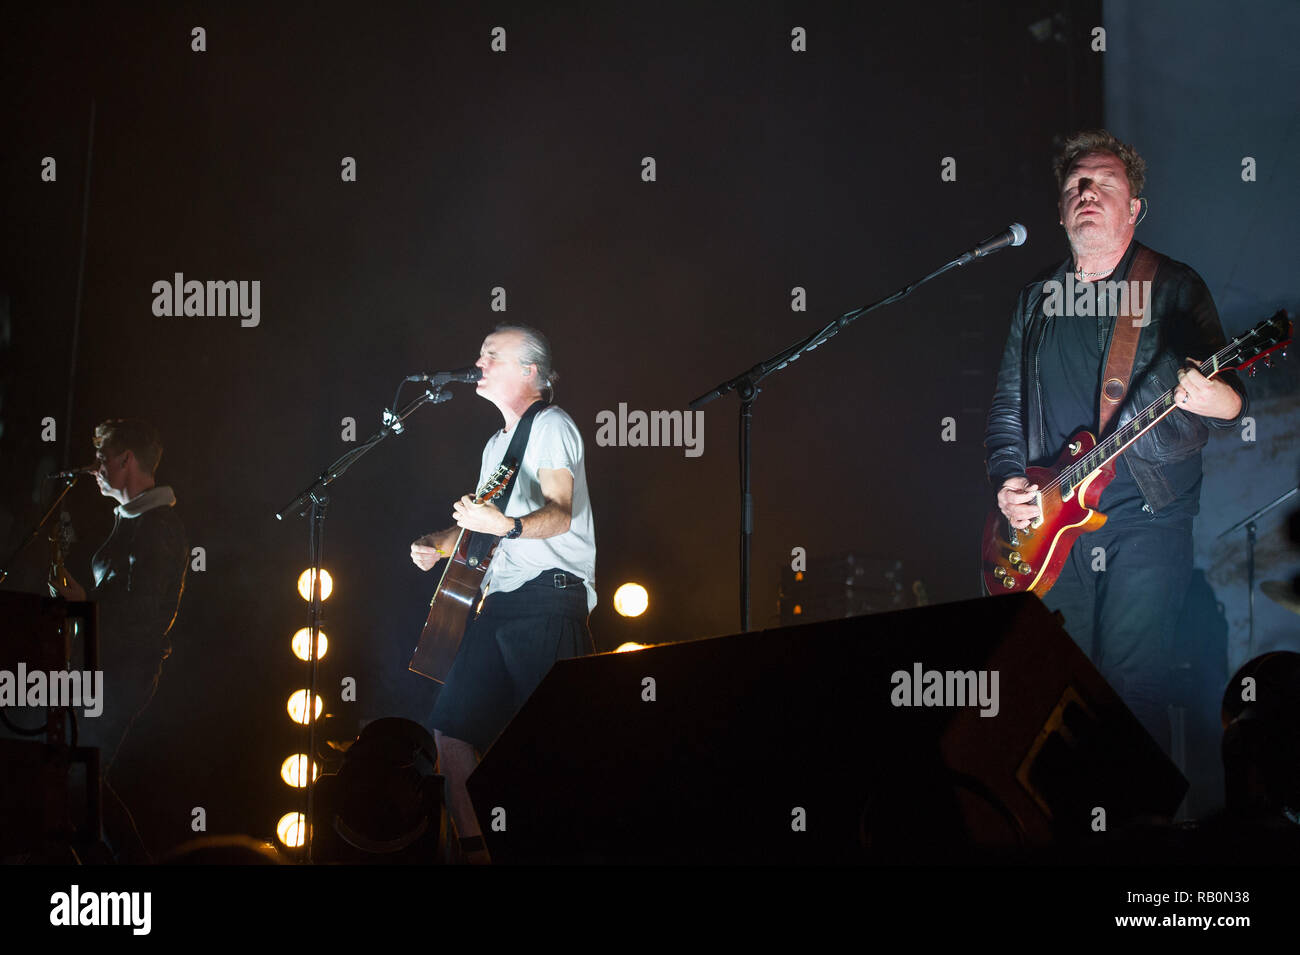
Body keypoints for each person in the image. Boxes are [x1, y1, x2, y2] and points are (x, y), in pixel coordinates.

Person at [984, 130, 1248, 753]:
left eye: (1106, 184)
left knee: (1131, 681)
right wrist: (1007, 482)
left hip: (1148, 514)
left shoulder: (1173, 286)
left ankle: (1138, 831)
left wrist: (1220, 399)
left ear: (1134, 209)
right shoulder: (1037, 301)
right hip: (1051, 522)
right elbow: (1005, 408)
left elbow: (1232, 396)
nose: (1088, 193)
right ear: (1059, 208)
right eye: (1076, 184)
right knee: (1055, 683)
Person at [410, 325, 596, 863]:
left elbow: (558, 514)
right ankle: (478, 854)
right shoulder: (498, 444)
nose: (479, 361)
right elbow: (483, 526)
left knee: (550, 747)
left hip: (549, 600)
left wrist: (508, 525)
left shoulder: (553, 424)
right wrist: (438, 544)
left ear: (530, 371)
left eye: (492, 355)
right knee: (449, 732)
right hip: (501, 603)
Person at [49, 418, 188, 860]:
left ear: (126, 459)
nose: (95, 469)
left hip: (123, 671)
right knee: (77, 776)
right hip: (104, 666)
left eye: (102, 458)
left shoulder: (157, 529)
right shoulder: (134, 521)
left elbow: (141, 618)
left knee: (80, 778)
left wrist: (84, 605)